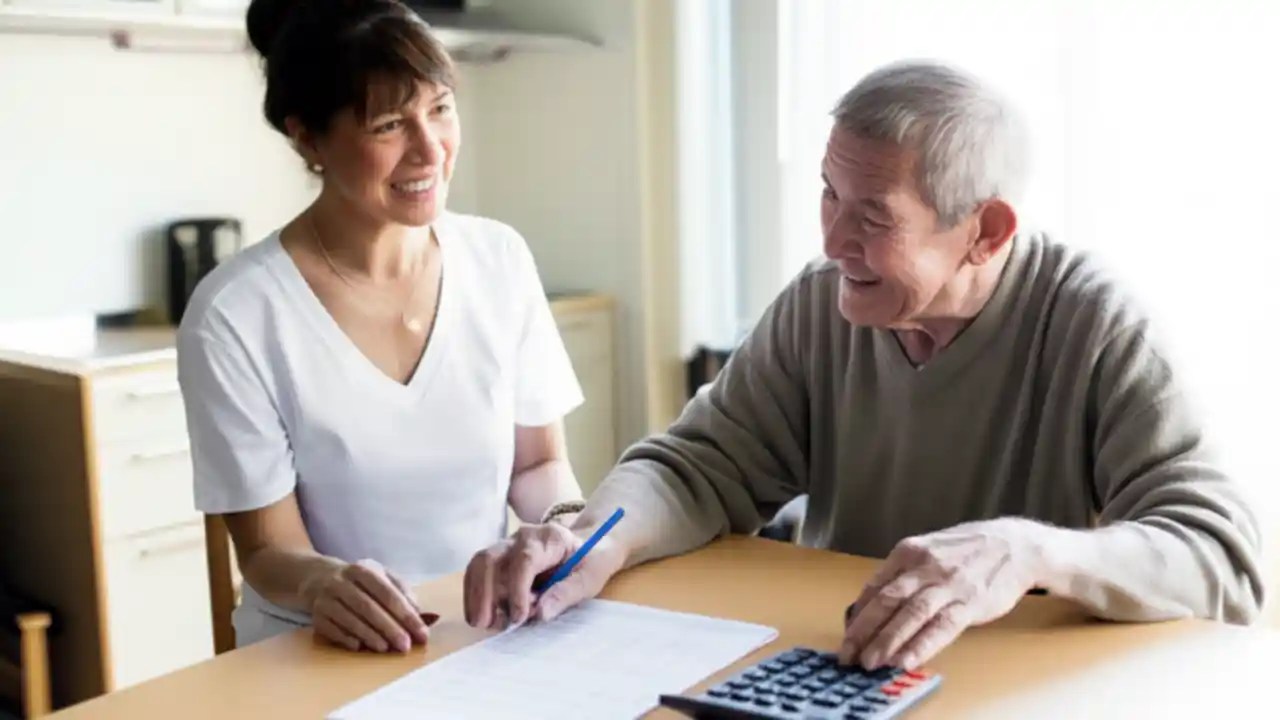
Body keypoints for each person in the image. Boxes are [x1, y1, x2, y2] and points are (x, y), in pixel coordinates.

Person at [463, 60, 1266, 670]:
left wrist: (1032, 552)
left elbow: (1224, 561)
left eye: (873, 217)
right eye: (827, 195)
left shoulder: (1094, 322)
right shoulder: (823, 304)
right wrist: (591, 539)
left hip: (1019, 681)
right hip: (844, 669)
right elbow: (697, 467)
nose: (832, 242)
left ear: (985, 230)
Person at [176, 0, 587, 652]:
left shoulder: (498, 258)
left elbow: (538, 463)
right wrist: (322, 585)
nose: (430, 149)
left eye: (441, 109)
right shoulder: (236, 315)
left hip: (480, 636)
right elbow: (266, 551)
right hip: (313, 651)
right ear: (307, 137)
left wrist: (563, 526)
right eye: (390, 124)